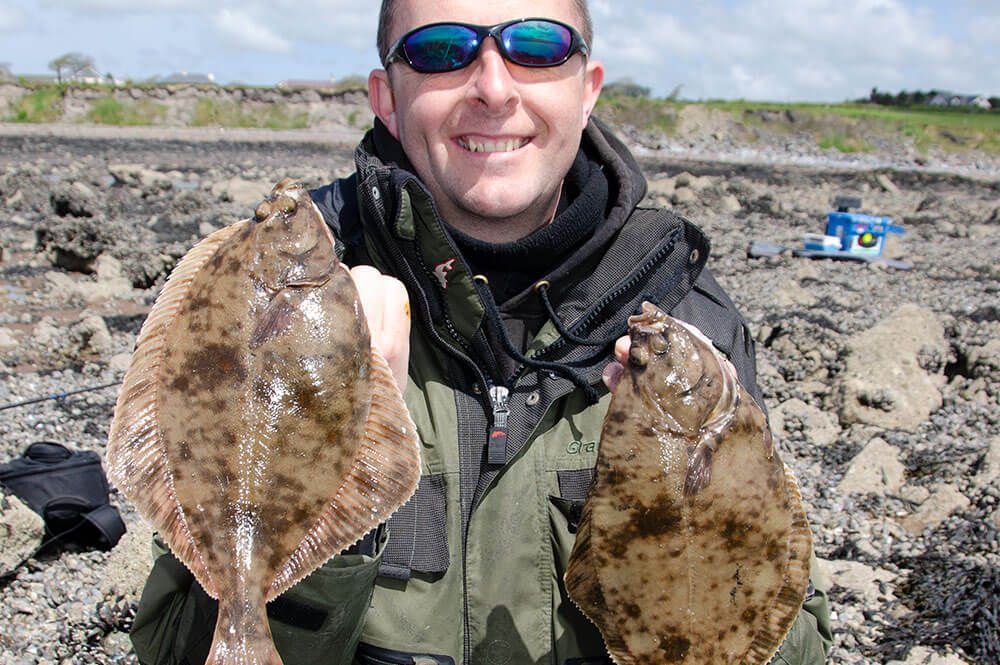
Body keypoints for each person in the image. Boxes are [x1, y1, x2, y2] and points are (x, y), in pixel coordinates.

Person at [128, 1, 833, 663]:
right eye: (441, 50)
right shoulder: (272, 301)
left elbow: (797, 640)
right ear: (386, 97)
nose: (493, 87)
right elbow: (180, 644)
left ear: (587, 87)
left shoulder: (691, 317)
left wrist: (710, 501)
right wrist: (327, 443)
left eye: (536, 46)